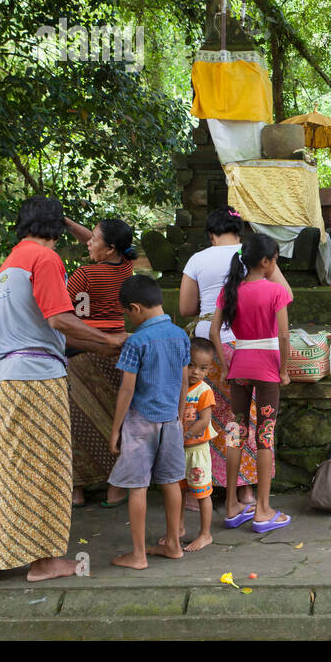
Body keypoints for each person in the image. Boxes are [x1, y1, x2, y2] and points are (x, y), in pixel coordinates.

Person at [0, 196, 126, 584]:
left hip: (3, 375)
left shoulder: (9, 263)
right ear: (57, 227)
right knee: (46, 469)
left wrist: (106, 343)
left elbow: (44, 326)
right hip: (35, 378)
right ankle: (44, 562)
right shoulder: (45, 259)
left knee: (8, 468)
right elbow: (59, 320)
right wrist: (113, 342)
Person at [180, 207, 289, 506]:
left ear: (211, 234)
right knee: (255, 422)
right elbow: (283, 294)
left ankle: (198, 491)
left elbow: (186, 307)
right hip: (250, 350)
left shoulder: (198, 259)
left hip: (206, 349)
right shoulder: (254, 253)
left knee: (207, 417)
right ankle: (247, 491)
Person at [210, 232, 292, 533]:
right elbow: (283, 335)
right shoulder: (275, 292)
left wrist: (224, 361)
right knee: (265, 436)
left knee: (235, 433)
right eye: (275, 260)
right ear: (267, 261)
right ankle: (263, 510)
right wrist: (284, 370)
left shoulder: (231, 289)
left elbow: (214, 332)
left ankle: (231, 505)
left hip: (240, 365)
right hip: (268, 366)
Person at [109, 275, 190, 569]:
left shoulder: (137, 341)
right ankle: (174, 544)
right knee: (170, 481)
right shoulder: (180, 335)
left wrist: (115, 429)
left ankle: (139, 555)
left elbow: (127, 389)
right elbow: (183, 383)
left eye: (126, 313)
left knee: (138, 487)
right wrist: (179, 417)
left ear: (135, 308)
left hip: (140, 423)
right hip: (171, 419)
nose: (128, 320)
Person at [63, 217, 138, 507]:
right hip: (119, 354)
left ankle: (75, 489)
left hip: (83, 354)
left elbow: (64, 315)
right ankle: (115, 488)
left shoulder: (83, 275)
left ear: (109, 249)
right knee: (115, 422)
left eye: (95, 239)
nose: (88, 242)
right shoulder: (127, 269)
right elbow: (94, 242)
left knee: (77, 424)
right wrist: (69, 223)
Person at [173, 338, 218, 551]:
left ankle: (205, 534)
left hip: (197, 450)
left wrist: (188, 433)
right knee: (178, 491)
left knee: (202, 493)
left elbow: (204, 420)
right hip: (179, 448)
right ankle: (178, 529)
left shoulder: (204, 391)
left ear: (209, 370)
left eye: (202, 368)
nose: (195, 372)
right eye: (191, 365)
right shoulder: (177, 386)